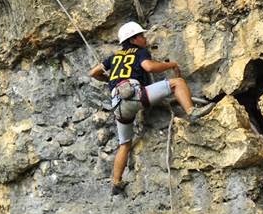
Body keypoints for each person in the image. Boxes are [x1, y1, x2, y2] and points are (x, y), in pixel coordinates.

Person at [88, 21, 213, 195]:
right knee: (177, 83)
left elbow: (93, 72)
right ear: (133, 39)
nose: (144, 38)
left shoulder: (114, 57)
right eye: (141, 36)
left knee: (124, 144)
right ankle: (192, 112)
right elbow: (149, 67)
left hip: (118, 104)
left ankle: (116, 182)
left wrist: (109, 79)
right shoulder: (139, 51)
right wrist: (171, 65)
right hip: (135, 96)